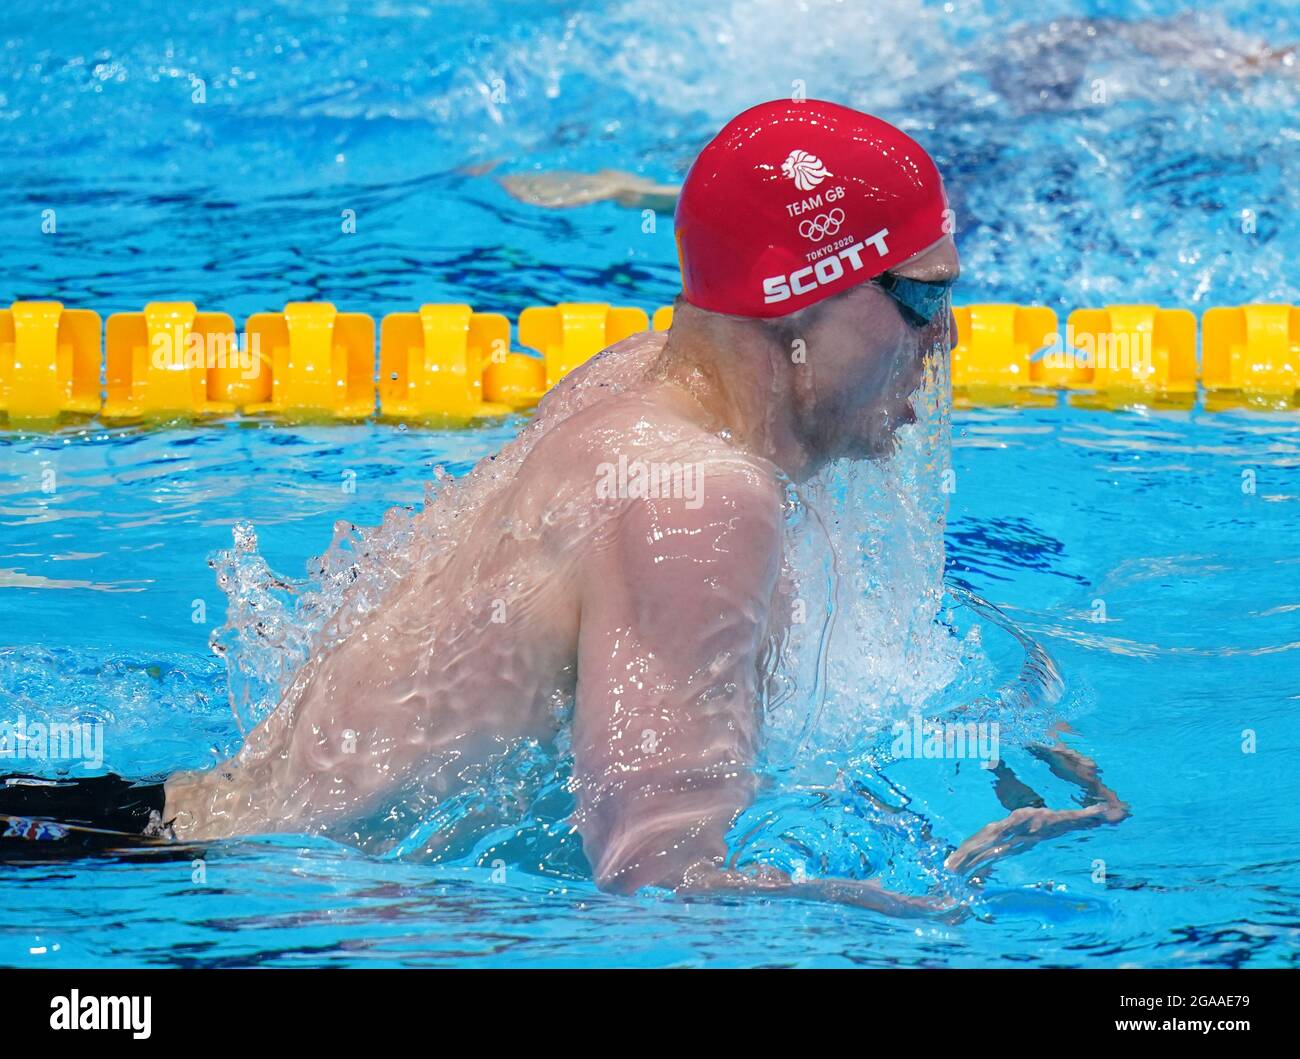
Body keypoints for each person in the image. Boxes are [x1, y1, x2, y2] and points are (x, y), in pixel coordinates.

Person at [1, 100, 1126, 915]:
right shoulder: (698, 497)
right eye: (922, 296)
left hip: (151, 825)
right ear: (799, 307)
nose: (944, 339)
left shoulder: (643, 383)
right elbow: (659, 884)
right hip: (240, 911)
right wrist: (938, 901)